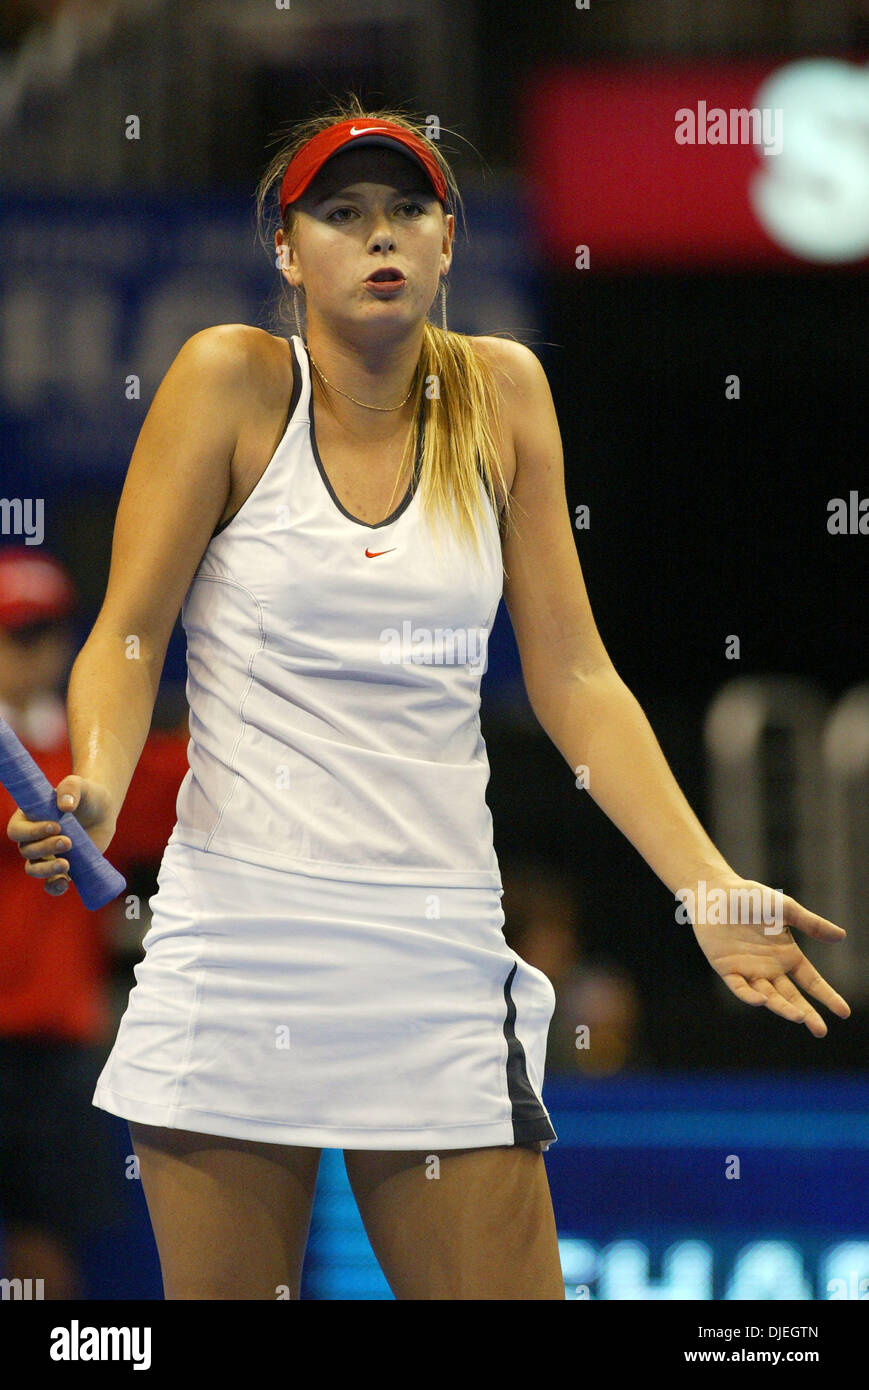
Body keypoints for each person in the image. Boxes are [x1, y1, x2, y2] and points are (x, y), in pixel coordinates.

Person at [6, 97, 850, 1302]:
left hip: (435, 960)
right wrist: (93, 780)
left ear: (447, 242)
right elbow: (130, 633)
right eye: (341, 215)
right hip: (238, 950)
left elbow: (571, 677)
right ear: (288, 251)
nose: (380, 234)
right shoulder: (228, 381)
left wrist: (703, 884)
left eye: (407, 208)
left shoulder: (502, 396)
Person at [0, 546, 188, 1297]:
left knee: (47, 1246)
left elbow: (186, 785)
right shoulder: (81, 759)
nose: (36, 652)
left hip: (56, 1040)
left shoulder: (96, 756)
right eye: (15, 635)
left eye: (47, 633)